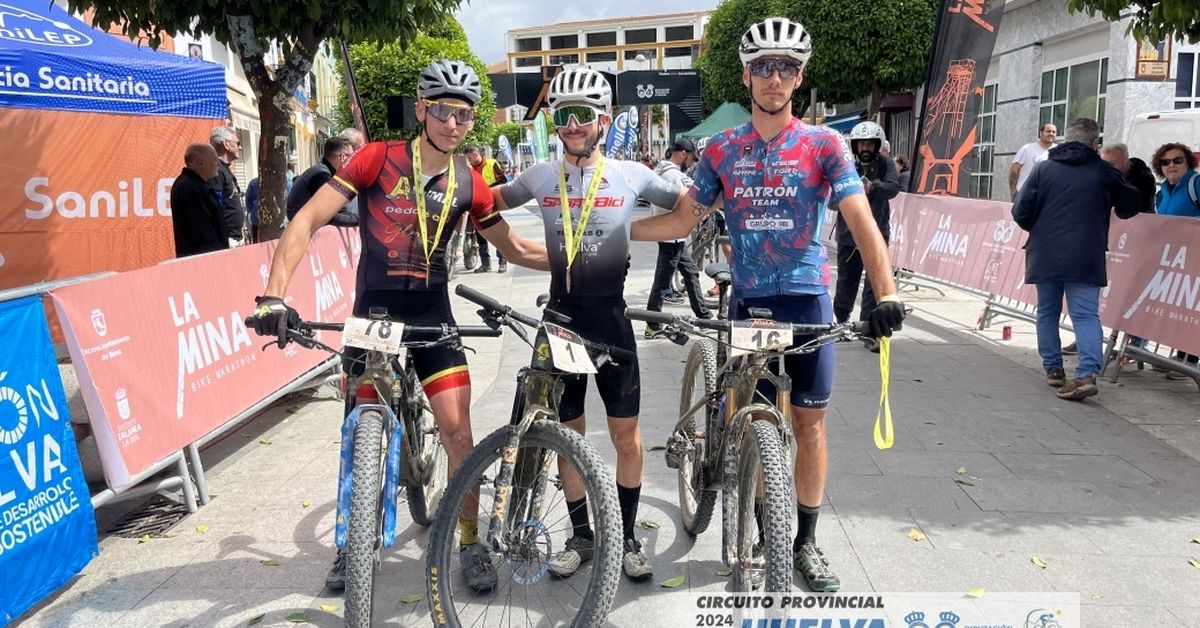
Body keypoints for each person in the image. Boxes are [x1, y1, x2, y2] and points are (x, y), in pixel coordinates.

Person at [248, 58, 549, 594]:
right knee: (357, 430)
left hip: (434, 318)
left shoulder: (470, 182)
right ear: (421, 110)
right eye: (441, 111)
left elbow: (518, 247)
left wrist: (582, 261)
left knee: (458, 433)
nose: (452, 124)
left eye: (462, 114)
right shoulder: (376, 159)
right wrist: (274, 295)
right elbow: (307, 219)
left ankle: (471, 542)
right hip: (374, 317)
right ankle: (350, 544)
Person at [630, 17, 906, 592]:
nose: (773, 78)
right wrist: (616, 234)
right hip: (749, 304)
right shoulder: (722, 149)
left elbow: (861, 220)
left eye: (784, 67)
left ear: (799, 77)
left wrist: (888, 295)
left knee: (809, 425)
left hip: (807, 302)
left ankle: (804, 542)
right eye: (762, 66)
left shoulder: (825, 144)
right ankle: (764, 525)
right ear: (746, 74)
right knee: (750, 418)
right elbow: (686, 218)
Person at [491, 66, 686, 582]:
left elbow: (687, 212)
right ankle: (581, 535)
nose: (570, 126)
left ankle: (624, 537)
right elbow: (483, 204)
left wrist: (631, 229)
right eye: (560, 116)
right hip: (559, 323)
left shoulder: (631, 175)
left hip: (611, 322)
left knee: (627, 436)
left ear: (602, 119)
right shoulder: (539, 177)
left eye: (580, 115)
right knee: (568, 436)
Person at [1011, 118, 1140, 400]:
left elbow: (1020, 211)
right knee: (1085, 314)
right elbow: (1131, 205)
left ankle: (1054, 369)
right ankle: (1086, 373)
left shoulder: (1043, 169)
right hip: (1086, 253)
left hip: (1045, 252)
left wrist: (1044, 229)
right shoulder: (1103, 172)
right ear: (1095, 143)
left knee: (1047, 311)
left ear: (1065, 140)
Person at [833, 120, 900, 352]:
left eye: (869, 144)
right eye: (861, 143)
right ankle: (840, 322)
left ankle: (871, 331)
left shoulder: (885, 164)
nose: (865, 148)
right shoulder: (845, 165)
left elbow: (893, 188)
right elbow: (832, 200)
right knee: (846, 283)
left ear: (877, 144)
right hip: (849, 237)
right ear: (854, 145)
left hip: (877, 235)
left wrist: (874, 186)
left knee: (874, 284)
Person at [645, 138, 713, 336]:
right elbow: (679, 203)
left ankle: (704, 316)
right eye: (691, 158)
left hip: (672, 234)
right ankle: (653, 324)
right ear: (683, 153)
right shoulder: (672, 176)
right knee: (662, 281)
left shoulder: (663, 170)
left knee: (690, 273)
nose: (691, 163)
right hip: (671, 235)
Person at [1150, 142, 1200, 374]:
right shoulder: (1163, 192)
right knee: (1180, 306)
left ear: (1188, 162)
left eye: (1178, 160)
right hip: (1176, 259)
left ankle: (1189, 361)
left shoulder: (1195, 184)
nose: (1172, 165)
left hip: (1195, 257)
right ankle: (1179, 356)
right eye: (1166, 162)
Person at [285, 136, 358, 227]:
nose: (353, 161)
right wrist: (357, 220)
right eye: (351, 157)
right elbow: (329, 216)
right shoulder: (321, 175)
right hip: (302, 227)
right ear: (342, 157)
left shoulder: (325, 172)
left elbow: (337, 209)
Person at [170, 143, 228, 257]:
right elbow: (202, 229)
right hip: (203, 261)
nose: (218, 164)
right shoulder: (190, 188)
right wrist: (218, 257)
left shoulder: (197, 185)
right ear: (201, 163)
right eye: (215, 159)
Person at [464, 145, 509, 272]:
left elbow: (503, 181)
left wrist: (486, 190)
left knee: (496, 233)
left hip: (492, 203)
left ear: (481, 154)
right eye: (469, 157)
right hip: (476, 206)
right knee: (481, 234)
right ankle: (486, 264)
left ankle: (502, 261)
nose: (472, 159)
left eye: (474, 155)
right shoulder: (468, 169)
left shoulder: (492, 163)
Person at [209, 126, 247, 245]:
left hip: (236, 237)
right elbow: (215, 206)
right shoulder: (216, 171)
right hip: (228, 239)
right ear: (226, 144)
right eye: (237, 143)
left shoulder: (225, 169)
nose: (240, 147)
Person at [1102, 143, 1156, 214]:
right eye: (1104, 164)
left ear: (1126, 161)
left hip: (1141, 221)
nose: (1108, 168)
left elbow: (1129, 204)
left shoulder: (1145, 180)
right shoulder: (1105, 176)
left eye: (1112, 164)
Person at [1010, 122, 1056, 200]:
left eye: (1053, 132)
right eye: (1048, 131)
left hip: (1047, 198)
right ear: (1041, 133)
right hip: (1025, 196)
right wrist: (1013, 192)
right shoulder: (1027, 149)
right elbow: (1014, 171)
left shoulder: (1059, 151)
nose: (1051, 133)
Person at [245, 176, 260, 243]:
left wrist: (250, 211)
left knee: (255, 239)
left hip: (255, 216)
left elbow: (248, 199)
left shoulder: (253, 182)